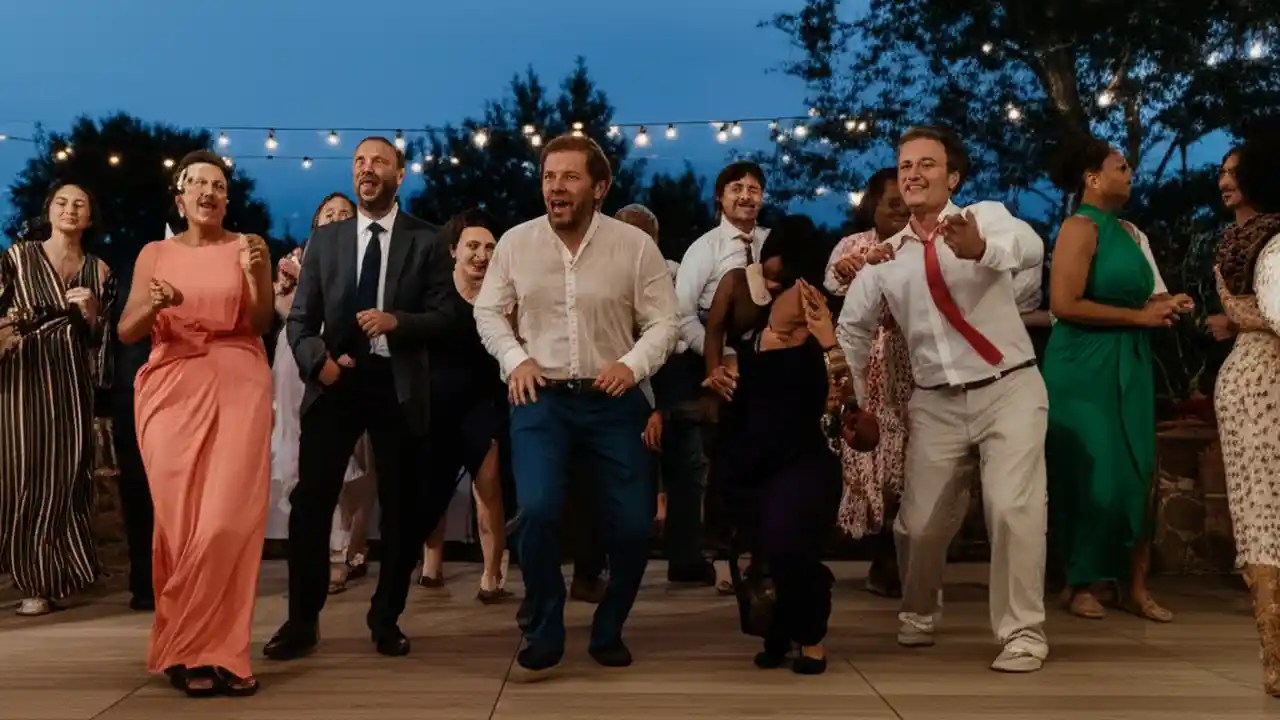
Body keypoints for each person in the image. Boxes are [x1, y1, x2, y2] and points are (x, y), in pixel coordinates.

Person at [837, 125, 1049, 673]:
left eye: (927, 164)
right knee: (918, 524)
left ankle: (1022, 633)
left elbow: (1031, 247)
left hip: (1011, 387)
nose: (913, 173)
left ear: (952, 177)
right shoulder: (884, 259)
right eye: (905, 165)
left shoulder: (984, 216)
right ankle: (919, 608)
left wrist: (985, 250)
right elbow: (852, 331)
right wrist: (854, 402)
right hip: (935, 400)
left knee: (1012, 508)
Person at [475, 134, 678, 677]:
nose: (555, 188)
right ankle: (545, 625)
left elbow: (665, 322)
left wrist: (631, 366)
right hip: (541, 399)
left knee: (634, 526)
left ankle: (610, 626)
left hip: (614, 400)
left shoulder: (636, 248)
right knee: (537, 512)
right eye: (548, 177)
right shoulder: (516, 244)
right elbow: (489, 311)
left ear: (600, 187)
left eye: (569, 177)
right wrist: (515, 359)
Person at [265, 136, 458, 660]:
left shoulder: (428, 239)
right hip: (336, 382)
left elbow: (448, 318)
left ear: (400, 174)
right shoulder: (328, 242)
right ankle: (302, 622)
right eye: (359, 162)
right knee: (309, 506)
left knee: (401, 509)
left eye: (378, 161)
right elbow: (301, 320)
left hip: (397, 383)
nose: (366, 169)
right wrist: (318, 363)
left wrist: (399, 322)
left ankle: (385, 617)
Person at [117, 151, 273, 696]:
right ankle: (188, 651)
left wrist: (257, 273)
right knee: (181, 527)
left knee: (227, 522)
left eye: (219, 184)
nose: (209, 190)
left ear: (228, 198)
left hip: (238, 383)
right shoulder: (154, 253)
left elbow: (259, 323)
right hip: (170, 390)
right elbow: (128, 330)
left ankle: (224, 649)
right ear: (179, 197)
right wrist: (154, 304)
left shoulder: (248, 247)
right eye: (198, 183)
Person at [706, 215, 868, 674]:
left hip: (806, 460)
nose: (772, 292)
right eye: (770, 282)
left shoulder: (827, 341)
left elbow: (846, 404)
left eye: (783, 284)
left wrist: (829, 343)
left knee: (788, 543)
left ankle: (811, 635)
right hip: (752, 459)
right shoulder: (752, 342)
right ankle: (776, 632)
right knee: (762, 552)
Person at [1043, 135, 1193, 623]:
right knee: (1094, 475)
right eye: (1120, 166)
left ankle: (1134, 584)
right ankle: (1081, 580)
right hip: (1082, 366)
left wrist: (1163, 306)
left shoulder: (1128, 231)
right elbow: (1065, 304)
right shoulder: (1080, 227)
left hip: (1128, 359)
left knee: (1134, 471)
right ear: (1093, 177)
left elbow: (1142, 298)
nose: (1130, 173)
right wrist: (1139, 319)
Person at [0, 182, 113, 617]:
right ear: (48, 211)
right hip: (22, 383)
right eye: (62, 203)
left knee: (65, 478)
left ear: (90, 217)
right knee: (21, 476)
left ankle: (56, 573)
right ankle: (30, 580)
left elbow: (104, 345)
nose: (70, 210)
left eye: (80, 204)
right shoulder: (17, 258)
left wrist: (92, 317)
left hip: (70, 386)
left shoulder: (100, 271)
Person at [267, 192, 377, 594]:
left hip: (343, 358)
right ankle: (312, 550)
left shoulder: (364, 255)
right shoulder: (301, 256)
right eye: (328, 213)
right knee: (301, 456)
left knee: (349, 462)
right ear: (316, 221)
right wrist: (288, 287)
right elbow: (282, 310)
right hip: (295, 360)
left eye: (344, 214)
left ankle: (345, 548)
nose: (336, 218)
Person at [675, 161, 772, 592]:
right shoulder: (706, 248)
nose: (746, 196)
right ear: (720, 197)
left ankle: (763, 557)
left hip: (769, 364)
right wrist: (722, 357)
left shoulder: (772, 244)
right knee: (724, 468)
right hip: (718, 365)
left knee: (767, 465)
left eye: (754, 188)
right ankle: (722, 556)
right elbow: (679, 317)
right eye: (737, 188)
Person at [1211, 133, 1280, 697]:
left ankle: (1275, 660)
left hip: (1250, 381)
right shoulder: (1273, 242)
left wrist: (1238, 319)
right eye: (1223, 170)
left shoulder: (1237, 242)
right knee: (1267, 521)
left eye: (1236, 170)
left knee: (1261, 520)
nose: (1225, 180)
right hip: (1267, 387)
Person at [823, 168, 911, 597]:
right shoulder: (852, 247)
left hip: (908, 367)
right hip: (864, 364)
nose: (901, 210)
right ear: (872, 206)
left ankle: (893, 557)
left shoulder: (918, 244)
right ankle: (873, 550)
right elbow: (832, 283)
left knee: (904, 466)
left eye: (906, 202)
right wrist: (847, 269)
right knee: (863, 458)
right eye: (892, 203)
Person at [417, 208, 512, 603]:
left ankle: (492, 577)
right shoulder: (432, 294)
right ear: (455, 250)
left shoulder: (503, 297)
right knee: (432, 489)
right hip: (436, 404)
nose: (481, 254)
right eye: (473, 245)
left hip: (482, 406)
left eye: (489, 247)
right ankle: (430, 567)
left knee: (488, 489)